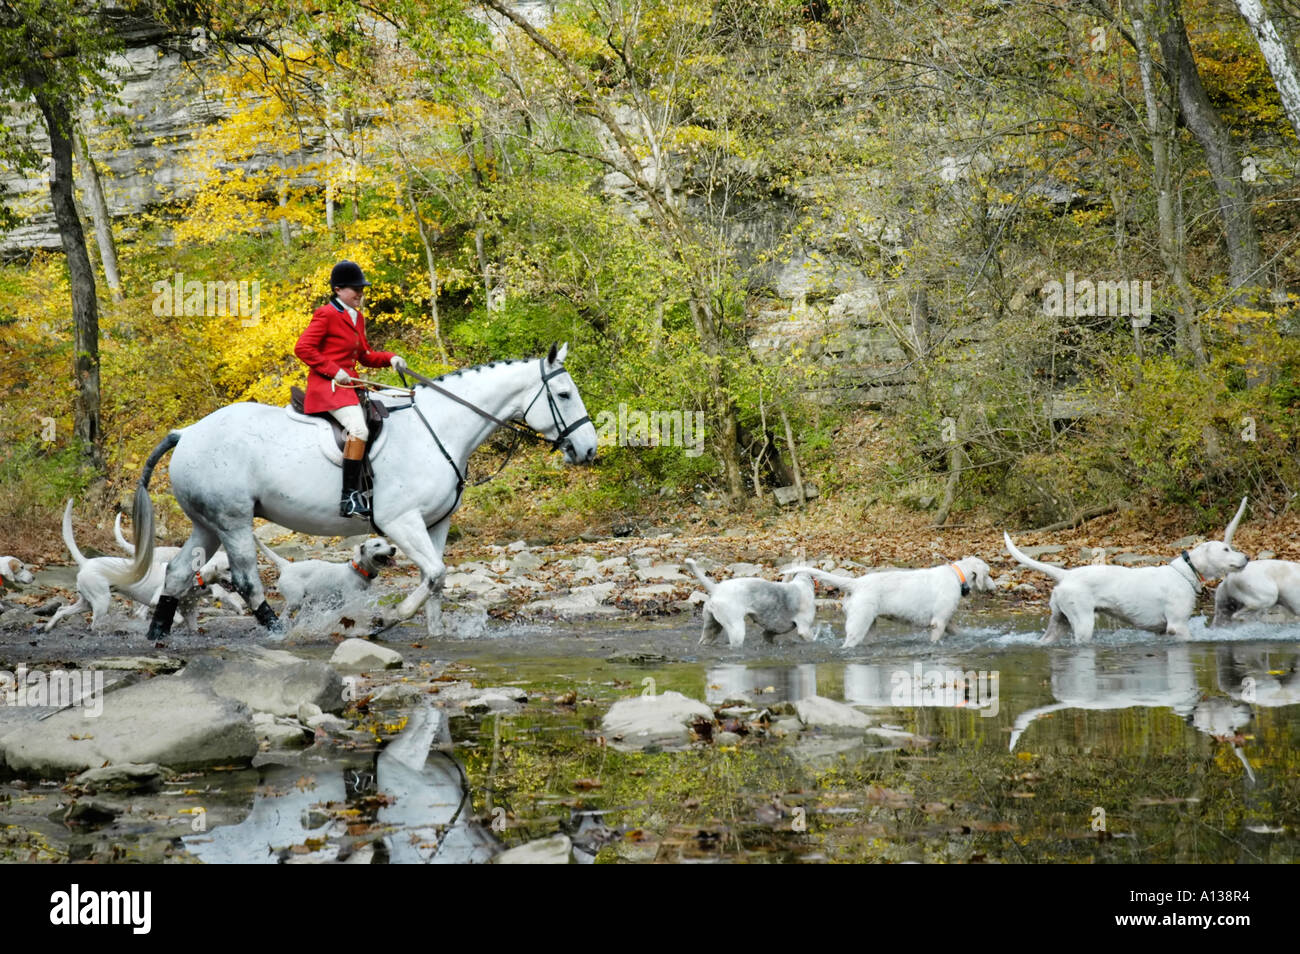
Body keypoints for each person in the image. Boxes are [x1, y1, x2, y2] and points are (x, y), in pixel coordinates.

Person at [295, 261, 408, 518]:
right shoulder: (325, 314)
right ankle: (349, 498)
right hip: (328, 387)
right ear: (338, 289)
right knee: (358, 429)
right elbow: (303, 348)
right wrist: (334, 371)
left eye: (362, 288)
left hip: (350, 386)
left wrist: (390, 357)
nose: (360, 293)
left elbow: (365, 356)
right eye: (355, 288)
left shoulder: (357, 316)